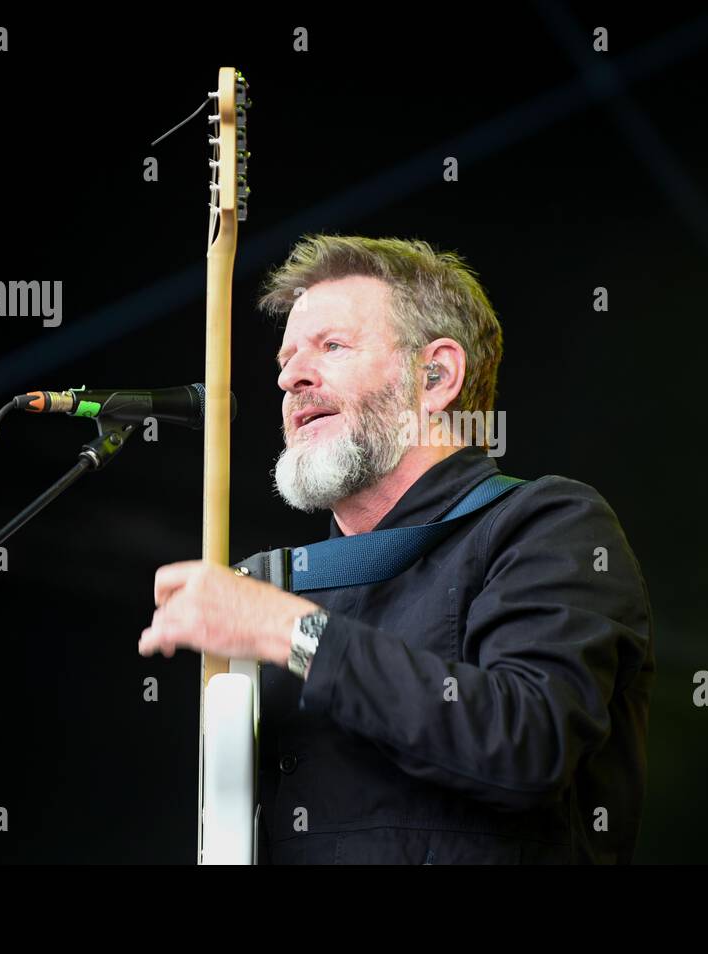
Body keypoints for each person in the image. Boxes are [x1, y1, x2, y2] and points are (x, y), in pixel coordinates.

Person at [138, 235, 654, 863]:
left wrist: (287, 631)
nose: (289, 376)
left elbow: (526, 745)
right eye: (287, 358)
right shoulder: (278, 586)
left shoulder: (547, 523)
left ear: (435, 376)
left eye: (332, 346)